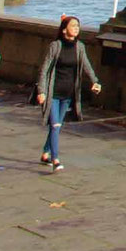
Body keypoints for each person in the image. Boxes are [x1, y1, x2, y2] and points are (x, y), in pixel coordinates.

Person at [33, 16, 101, 172]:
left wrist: (95, 81)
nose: (76, 28)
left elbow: (86, 66)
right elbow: (44, 70)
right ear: (64, 29)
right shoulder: (55, 46)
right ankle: (55, 160)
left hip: (68, 93)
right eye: (73, 26)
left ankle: (45, 152)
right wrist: (41, 91)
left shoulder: (80, 47)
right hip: (53, 93)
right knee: (55, 125)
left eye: (78, 26)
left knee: (57, 126)